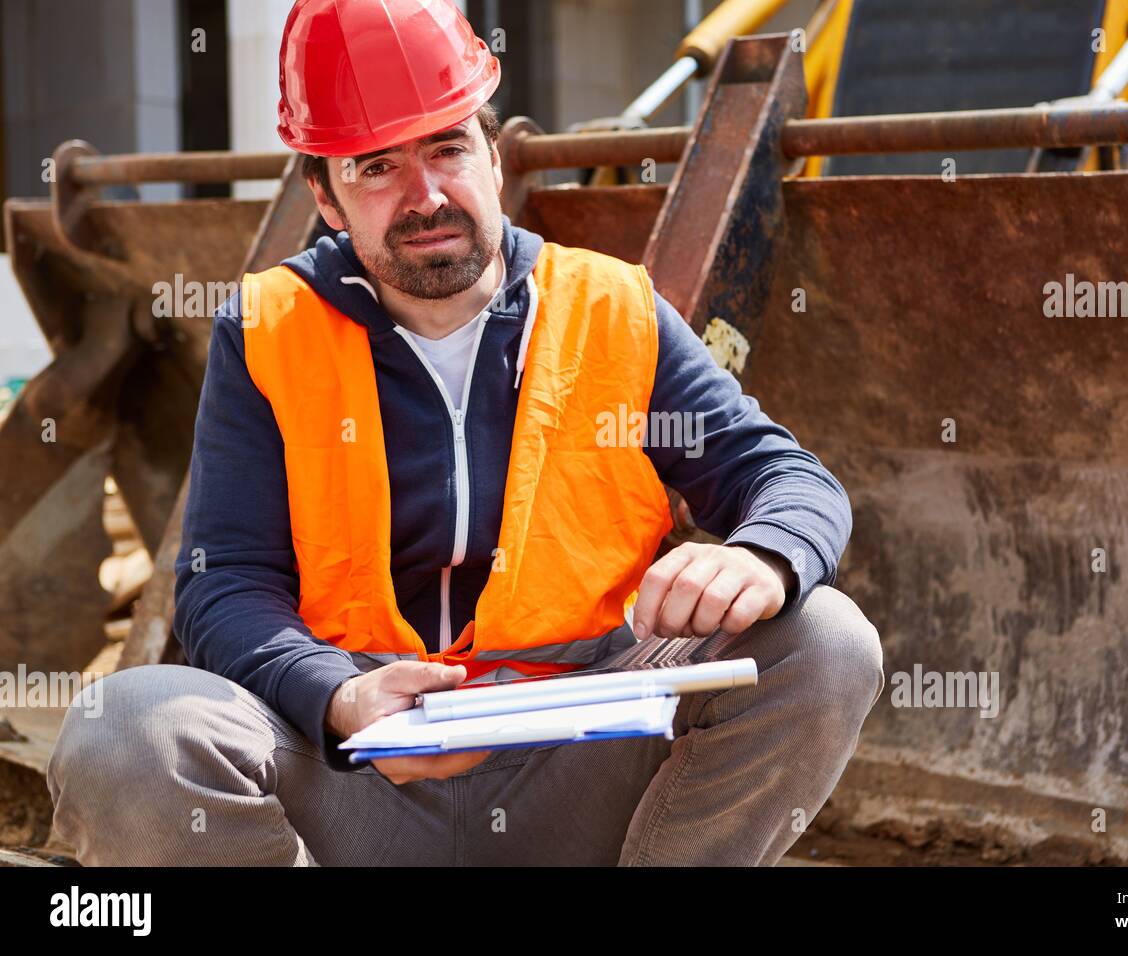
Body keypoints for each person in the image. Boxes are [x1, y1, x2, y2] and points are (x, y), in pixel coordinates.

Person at [46, 0, 883, 866]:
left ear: (490, 150)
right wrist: (340, 698)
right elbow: (224, 589)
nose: (427, 196)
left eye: (447, 146)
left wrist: (759, 554)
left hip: (576, 761)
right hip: (356, 783)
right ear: (324, 197)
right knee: (127, 733)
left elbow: (786, 477)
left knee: (826, 641)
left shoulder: (612, 308)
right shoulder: (266, 330)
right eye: (376, 167)